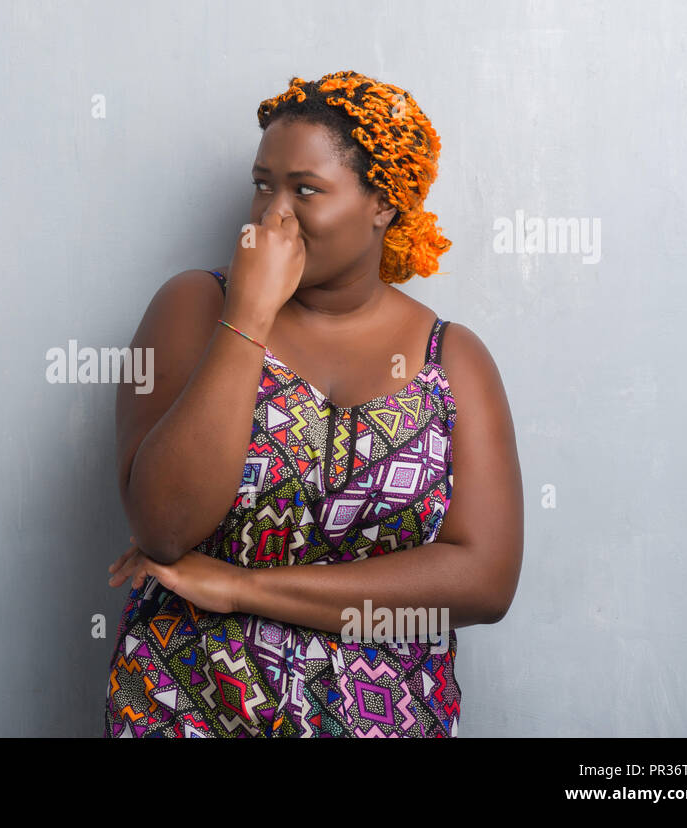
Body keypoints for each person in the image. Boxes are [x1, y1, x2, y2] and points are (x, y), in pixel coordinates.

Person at [102, 72, 523, 737]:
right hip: (188, 708)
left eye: (305, 189)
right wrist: (248, 315)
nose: (273, 214)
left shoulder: (453, 360)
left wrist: (243, 589)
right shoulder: (194, 308)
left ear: (382, 203)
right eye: (262, 184)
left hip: (385, 719)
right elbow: (163, 526)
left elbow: (482, 582)